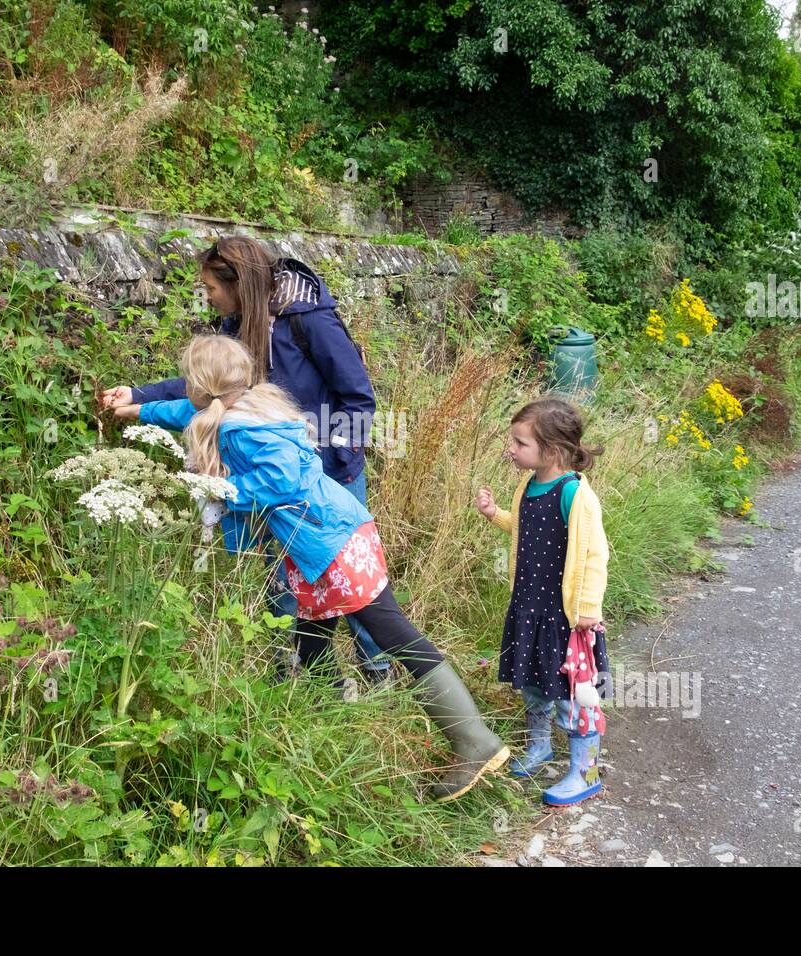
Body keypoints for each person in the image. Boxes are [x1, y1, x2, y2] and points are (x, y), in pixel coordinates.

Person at [132, 334, 511, 801]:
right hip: (325, 539)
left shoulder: (237, 428)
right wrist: (140, 408)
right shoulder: (252, 405)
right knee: (312, 635)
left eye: (187, 379)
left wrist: (221, 489)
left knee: (393, 633)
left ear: (199, 384)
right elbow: (188, 413)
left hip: (329, 543)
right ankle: (330, 728)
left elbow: (281, 480)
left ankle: (474, 741)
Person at [100, 236, 392, 683]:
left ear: (239, 284)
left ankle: (377, 669)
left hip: (330, 475)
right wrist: (138, 396)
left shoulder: (307, 320)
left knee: (350, 577)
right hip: (271, 480)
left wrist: (332, 458)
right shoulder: (236, 325)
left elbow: (358, 399)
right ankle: (295, 671)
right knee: (284, 577)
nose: (207, 296)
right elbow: (205, 387)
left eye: (211, 288)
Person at [475, 398, 611, 808]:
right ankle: (540, 748)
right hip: (530, 609)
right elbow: (526, 526)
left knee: (574, 693)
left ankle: (585, 770)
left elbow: (594, 553)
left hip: (566, 618)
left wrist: (587, 607)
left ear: (552, 449)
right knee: (535, 684)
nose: (510, 449)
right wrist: (494, 512)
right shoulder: (529, 484)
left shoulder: (575, 494)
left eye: (519, 443)